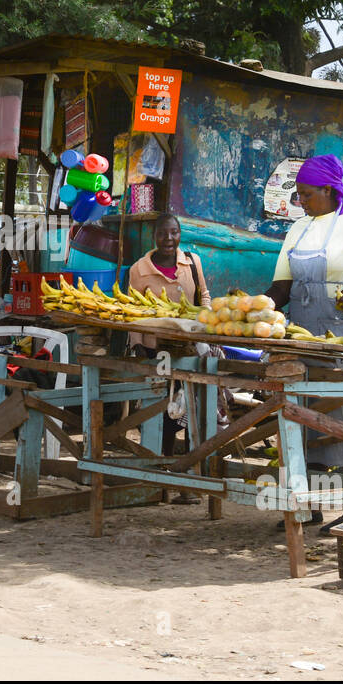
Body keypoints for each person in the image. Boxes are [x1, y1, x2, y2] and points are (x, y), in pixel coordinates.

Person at [262, 154, 343, 534]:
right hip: (307, 335)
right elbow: (282, 288)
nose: (300, 200)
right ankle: (309, 505)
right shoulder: (298, 229)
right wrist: (256, 308)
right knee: (307, 414)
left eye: (306, 194)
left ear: (328, 190)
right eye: (298, 194)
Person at [128, 213, 213, 503]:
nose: (169, 239)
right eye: (163, 233)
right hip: (157, 350)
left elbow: (204, 296)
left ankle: (187, 483)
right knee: (163, 414)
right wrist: (138, 345)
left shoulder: (192, 261)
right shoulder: (139, 270)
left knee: (191, 413)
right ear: (154, 236)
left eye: (174, 233)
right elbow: (133, 311)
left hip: (189, 347)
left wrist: (205, 323)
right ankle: (162, 479)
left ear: (180, 234)